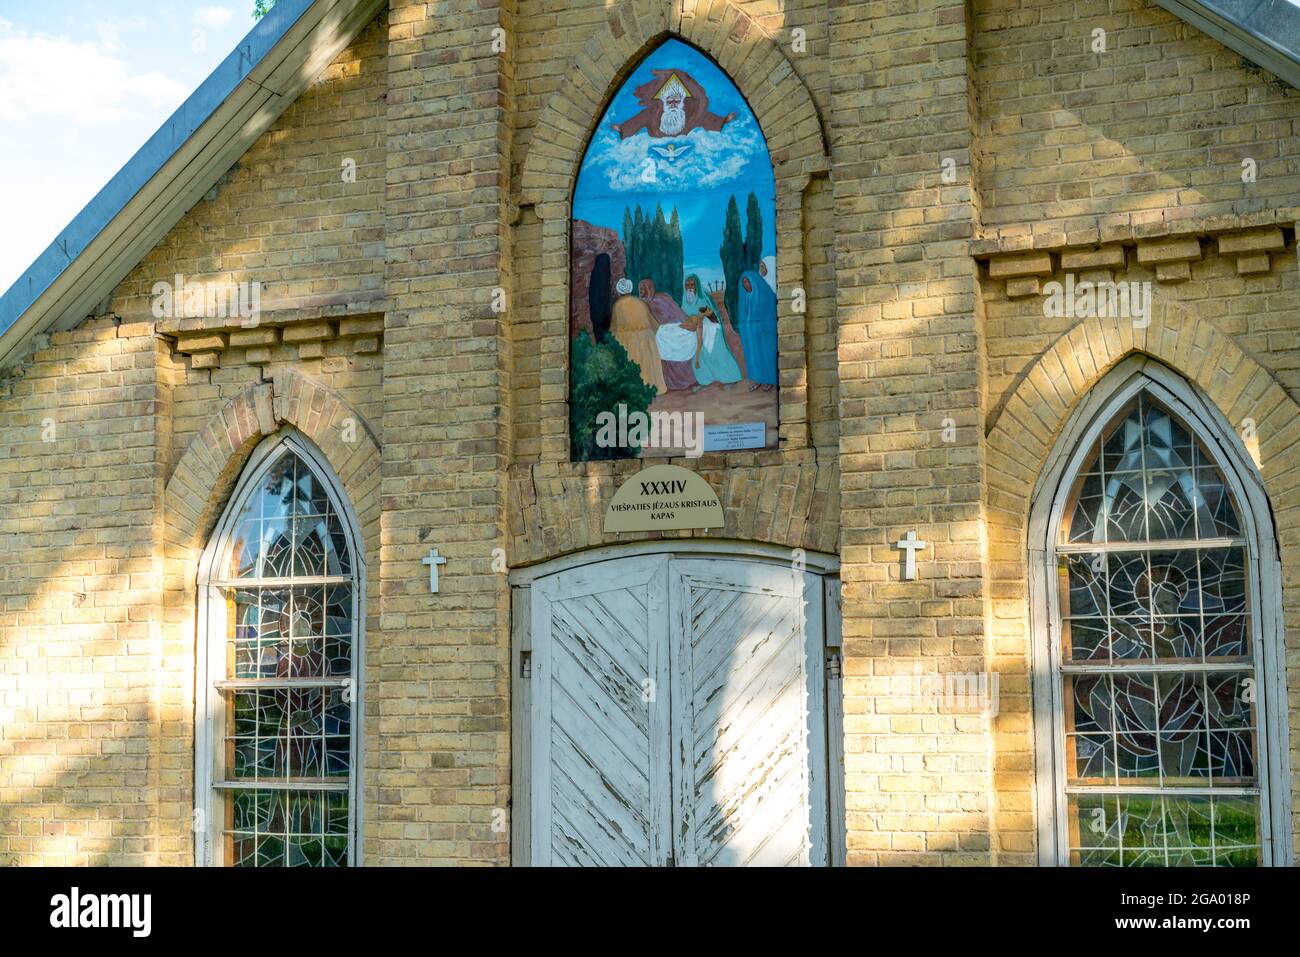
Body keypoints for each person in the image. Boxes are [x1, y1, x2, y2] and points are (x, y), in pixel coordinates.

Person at [609, 278, 665, 394]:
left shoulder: (618, 305)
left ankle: (637, 391)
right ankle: (651, 388)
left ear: (619, 291)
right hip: (646, 338)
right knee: (646, 364)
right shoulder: (640, 302)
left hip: (629, 340)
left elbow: (614, 328)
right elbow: (653, 322)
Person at [640, 279, 696, 392]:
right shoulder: (648, 302)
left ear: (649, 289)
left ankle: (685, 382)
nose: (641, 292)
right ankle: (674, 383)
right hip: (667, 332)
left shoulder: (658, 300)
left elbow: (675, 316)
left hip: (676, 330)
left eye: (643, 289)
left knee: (671, 348)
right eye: (640, 289)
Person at [737, 270, 778, 392]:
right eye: (743, 282)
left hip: (764, 334)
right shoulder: (745, 296)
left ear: (754, 281)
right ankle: (758, 379)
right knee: (754, 356)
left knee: (766, 355)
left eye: (747, 281)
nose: (746, 284)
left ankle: (769, 380)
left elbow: (770, 314)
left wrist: (764, 331)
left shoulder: (765, 294)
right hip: (751, 335)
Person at [689, 305, 742, 391]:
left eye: (701, 314)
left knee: (722, 358)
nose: (699, 315)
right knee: (699, 359)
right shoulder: (702, 322)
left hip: (715, 343)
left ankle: (732, 379)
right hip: (705, 344)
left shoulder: (715, 325)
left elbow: (715, 338)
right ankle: (704, 382)